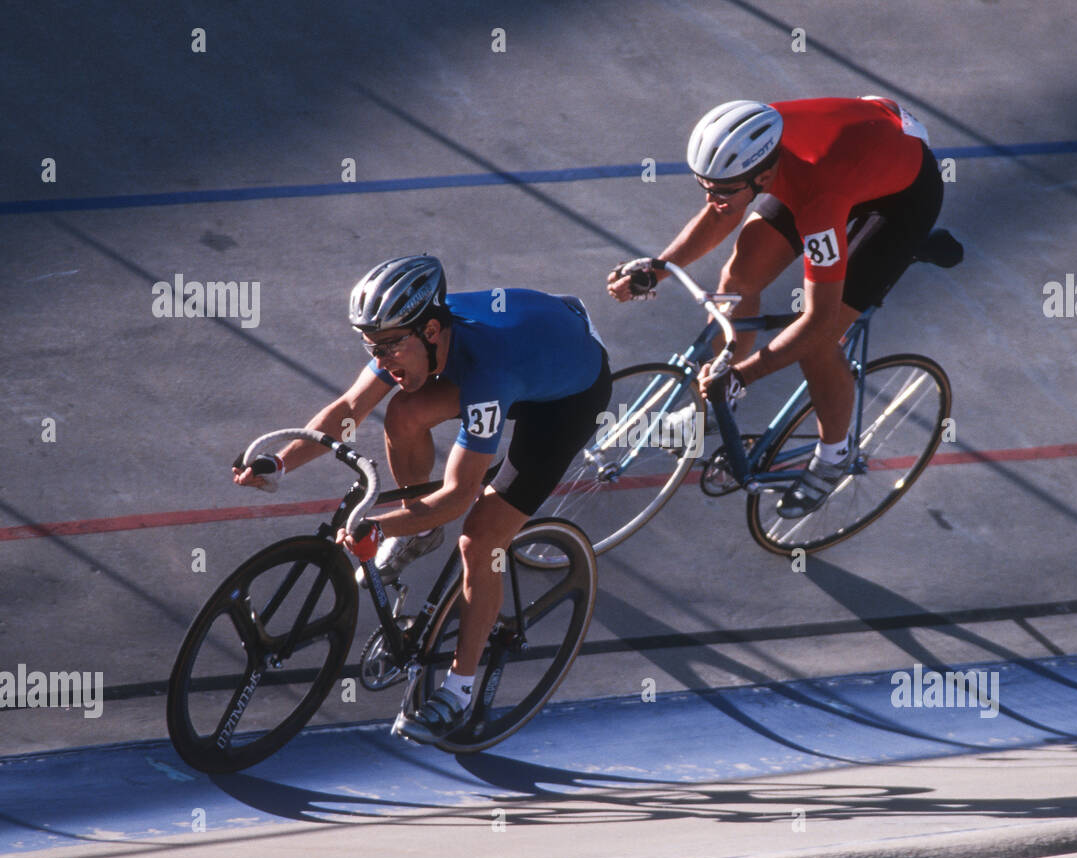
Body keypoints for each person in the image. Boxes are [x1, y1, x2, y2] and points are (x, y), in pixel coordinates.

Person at [233, 255, 611, 742]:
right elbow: (350, 408)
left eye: (389, 349)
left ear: (431, 331)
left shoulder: (488, 378)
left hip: (567, 398)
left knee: (481, 539)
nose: (382, 361)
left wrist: (381, 526)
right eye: (372, 348)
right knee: (403, 413)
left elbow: (458, 495)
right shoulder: (407, 333)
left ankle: (458, 691)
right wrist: (278, 463)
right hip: (527, 344)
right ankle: (423, 530)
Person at [608, 97, 944, 517]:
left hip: (900, 200)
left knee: (819, 344)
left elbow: (818, 322)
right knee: (740, 276)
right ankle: (722, 407)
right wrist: (659, 268)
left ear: (764, 174)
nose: (714, 197)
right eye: (704, 185)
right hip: (854, 152)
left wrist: (742, 375)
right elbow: (720, 213)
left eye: (725, 188)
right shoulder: (755, 136)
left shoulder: (819, 200)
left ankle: (834, 455)